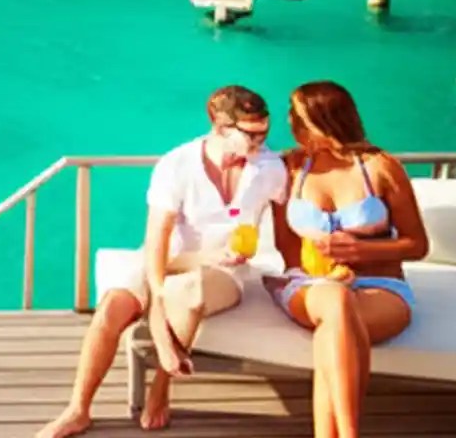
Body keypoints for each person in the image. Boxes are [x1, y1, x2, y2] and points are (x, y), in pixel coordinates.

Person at [37, 86, 288, 437]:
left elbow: (291, 228)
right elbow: (157, 240)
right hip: (169, 259)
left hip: (224, 269)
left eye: (265, 131)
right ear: (219, 126)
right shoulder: (178, 164)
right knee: (112, 307)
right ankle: (77, 409)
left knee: (192, 291)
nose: (260, 141)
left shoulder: (271, 169)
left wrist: (294, 273)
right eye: (250, 133)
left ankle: (161, 386)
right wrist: (155, 310)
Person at [264, 81, 429, 438]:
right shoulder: (290, 167)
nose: (291, 124)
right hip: (311, 284)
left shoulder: (381, 167)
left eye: (300, 118)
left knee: (333, 336)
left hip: (381, 287)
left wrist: (362, 251)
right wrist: (314, 273)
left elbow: (417, 245)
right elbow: (286, 244)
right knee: (336, 301)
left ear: (327, 121)